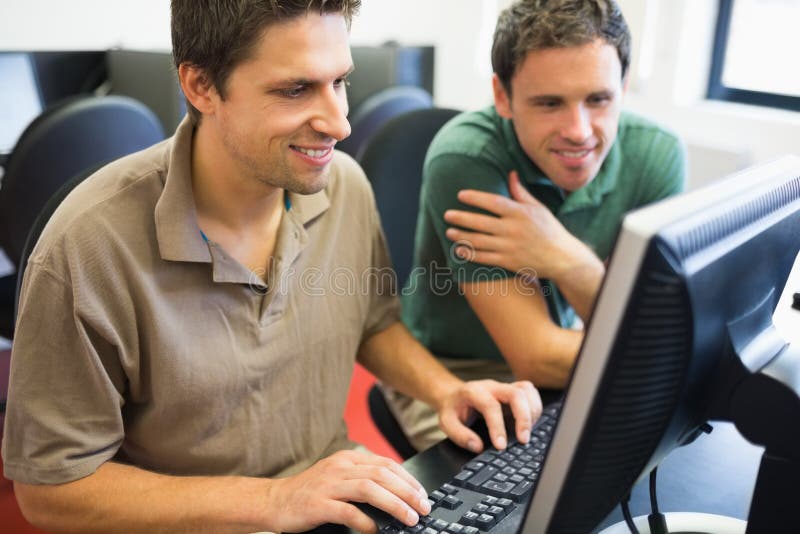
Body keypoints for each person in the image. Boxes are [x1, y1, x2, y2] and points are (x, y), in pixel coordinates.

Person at [0, 2, 542, 532]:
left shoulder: (343, 184)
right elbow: (51, 491)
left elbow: (373, 323)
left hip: (332, 502)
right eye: (296, 89)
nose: (341, 122)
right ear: (201, 87)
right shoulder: (86, 246)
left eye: (340, 83)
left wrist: (445, 390)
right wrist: (275, 500)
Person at [383, 0, 687, 451]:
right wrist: (665, 357)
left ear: (623, 86)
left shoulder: (656, 155)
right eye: (549, 103)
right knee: (522, 505)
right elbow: (539, 356)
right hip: (453, 373)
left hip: (579, 353)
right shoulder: (467, 159)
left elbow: (636, 324)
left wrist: (565, 258)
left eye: (599, 99)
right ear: (502, 97)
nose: (580, 131)